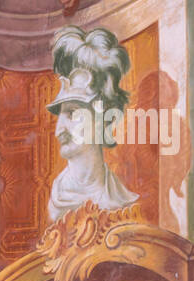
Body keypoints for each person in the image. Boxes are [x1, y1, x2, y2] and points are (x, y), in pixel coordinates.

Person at [46, 26, 138, 222]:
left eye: (71, 113)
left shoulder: (121, 199)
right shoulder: (57, 198)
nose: (58, 130)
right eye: (59, 115)